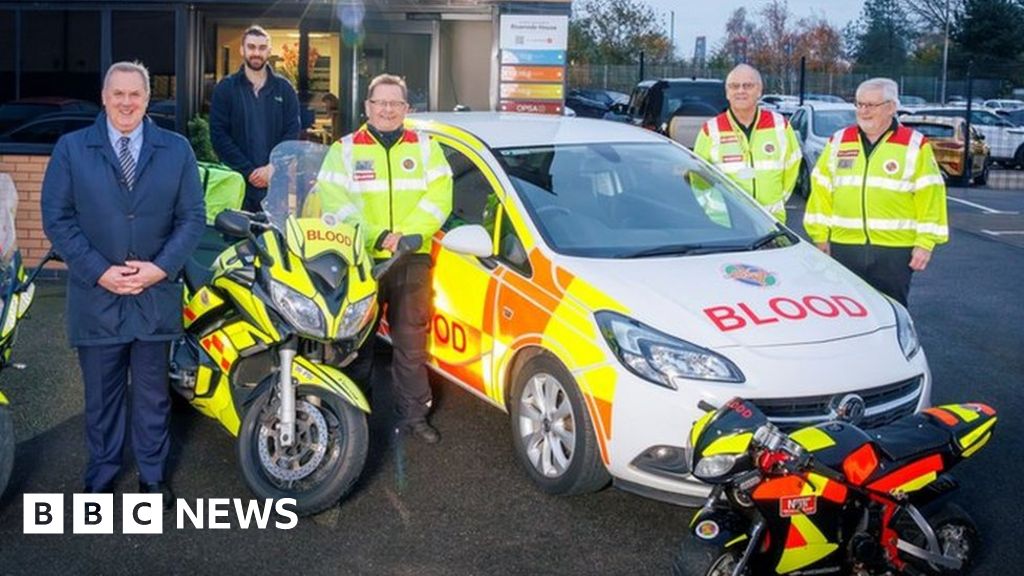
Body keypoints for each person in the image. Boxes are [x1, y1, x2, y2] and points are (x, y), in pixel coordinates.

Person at [41, 61, 206, 503]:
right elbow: (57, 219)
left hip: (154, 294)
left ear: (148, 99)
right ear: (104, 97)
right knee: (101, 397)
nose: (127, 103)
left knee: (153, 397)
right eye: (119, 94)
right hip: (97, 296)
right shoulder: (72, 149)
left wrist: (160, 268)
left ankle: (152, 476)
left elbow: (193, 218)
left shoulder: (176, 150)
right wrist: (99, 270)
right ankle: (102, 473)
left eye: (135, 94)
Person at [313, 74, 452, 444]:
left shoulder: (427, 148)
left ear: (406, 109)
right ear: (368, 107)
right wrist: (376, 235)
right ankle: (355, 421)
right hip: (361, 259)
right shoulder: (343, 150)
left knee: (411, 343)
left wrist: (409, 234)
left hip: (411, 257)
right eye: (381, 103)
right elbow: (335, 203)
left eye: (395, 103)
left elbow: (440, 196)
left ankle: (414, 416)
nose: (387, 110)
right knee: (357, 344)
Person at [804, 78, 948, 306]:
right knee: (846, 310)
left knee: (891, 310)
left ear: (891, 107)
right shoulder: (839, 142)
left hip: (894, 250)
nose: (863, 111)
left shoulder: (914, 145)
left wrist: (925, 243)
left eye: (871, 105)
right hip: (844, 246)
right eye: (859, 104)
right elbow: (821, 190)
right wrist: (819, 236)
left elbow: (930, 195)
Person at [693, 64, 801, 223]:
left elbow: (792, 167)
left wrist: (777, 200)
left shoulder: (779, 126)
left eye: (748, 86)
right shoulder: (711, 130)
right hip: (728, 225)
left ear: (759, 91)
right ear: (727, 93)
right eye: (734, 86)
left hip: (772, 223)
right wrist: (717, 215)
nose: (740, 91)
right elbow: (698, 177)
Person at [210, 25, 300, 212]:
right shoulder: (226, 89)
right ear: (242, 50)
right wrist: (249, 171)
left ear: (269, 51)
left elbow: (292, 132)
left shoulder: (284, 89)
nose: (256, 53)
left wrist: (273, 167)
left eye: (262, 48)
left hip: (276, 185)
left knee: (275, 231)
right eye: (251, 47)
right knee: (236, 231)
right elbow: (219, 135)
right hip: (237, 183)